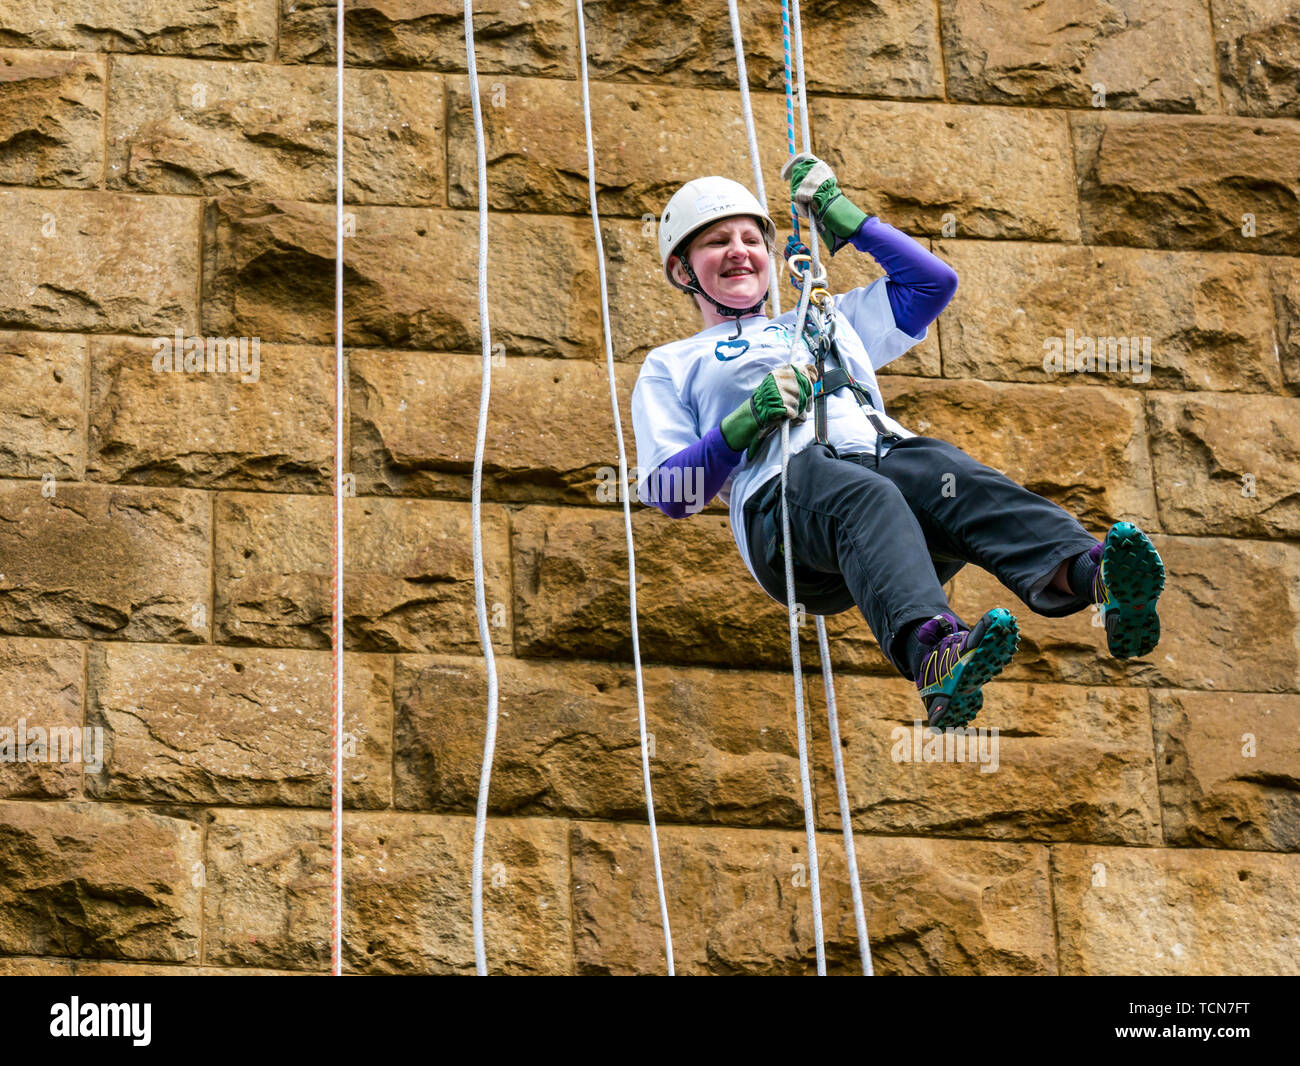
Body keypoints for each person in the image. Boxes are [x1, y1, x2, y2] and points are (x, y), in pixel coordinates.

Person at [630, 155, 1165, 729]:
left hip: (883, 484)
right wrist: (743, 424)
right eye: (716, 242)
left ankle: (1087, 576)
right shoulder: (673, 364)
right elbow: (671, 491)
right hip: (783, 513)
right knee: (863, 493)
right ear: (683, 270)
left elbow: (933, 284)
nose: (739, 250)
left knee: (945, 470)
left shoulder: (822, 316)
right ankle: (932, 652)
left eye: (749, 238)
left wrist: (851, 221)